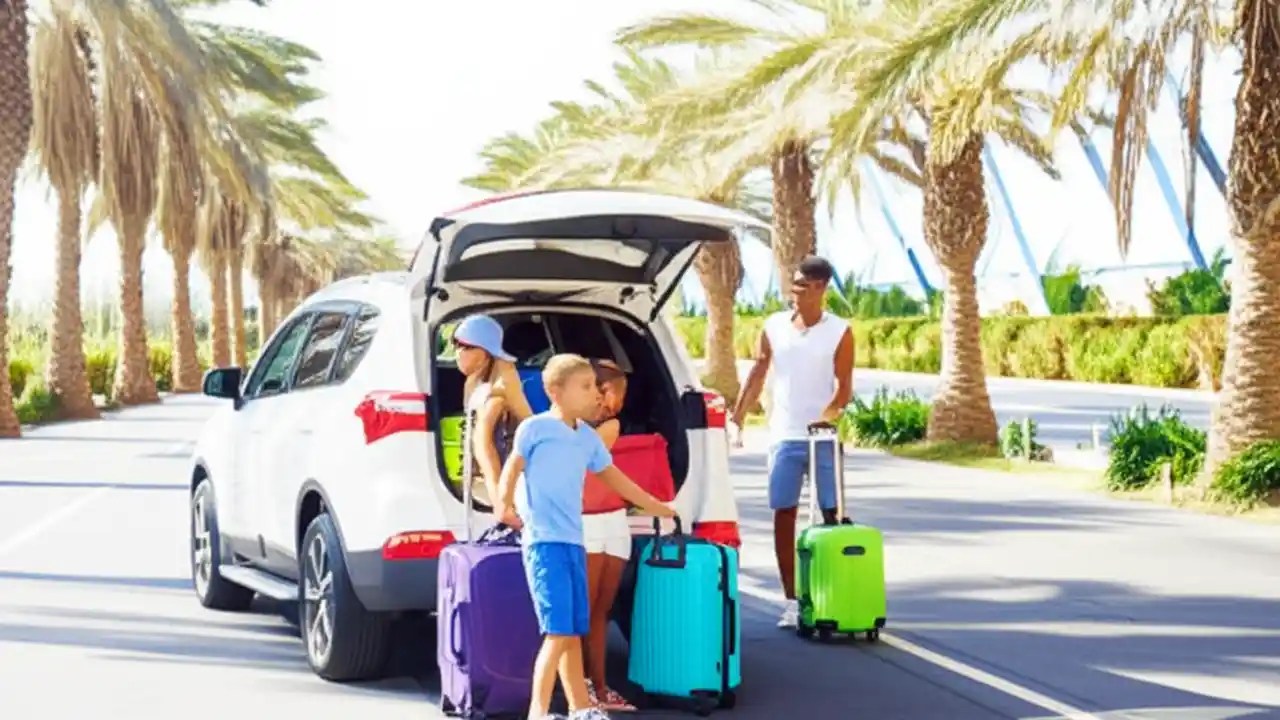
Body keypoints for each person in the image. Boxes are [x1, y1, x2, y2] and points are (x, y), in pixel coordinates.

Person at [493, 353, 677, 720]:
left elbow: (615, 478)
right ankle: (537, 712)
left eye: (595, 385)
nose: (596, 394)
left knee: (573, 628)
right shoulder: (535, 429)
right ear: (555, 391)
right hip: (544, 543)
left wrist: (656, 506)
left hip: (574, 542)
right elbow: (512, 467)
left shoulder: (587, 439)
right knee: (558, 632)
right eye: (586, 386)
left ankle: (580, 708)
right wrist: (503, 506)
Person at [730, 255, 855, 629]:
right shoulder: (774, 326)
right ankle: (791, 600)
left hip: (822, 438)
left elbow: (844, 388)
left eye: (802, 284)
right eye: (794, 282)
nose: (794, 289)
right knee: (783, 514)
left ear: (821, 288)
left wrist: (826, 416)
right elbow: (758, 371)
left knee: (831, 515)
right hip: (784, 435)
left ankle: (834, 598)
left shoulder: (840, 331)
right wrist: (737, 417)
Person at [581, 359, 635, 712]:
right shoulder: (571, 426)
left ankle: (598, 687)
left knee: (599, 611)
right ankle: (585, 687)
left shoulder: (607, 425)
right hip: (585, 523)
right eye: (617, 394)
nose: (619, 404)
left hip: (613, 522)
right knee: (584, 612)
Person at [452, 314, 535, 514]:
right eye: (456, 344)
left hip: (511, 481)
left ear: (486, 353)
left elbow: (484, 445)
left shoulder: (498, 389)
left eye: (467, 346)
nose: (458, 352)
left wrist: (500, 500)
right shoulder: (475, 381)